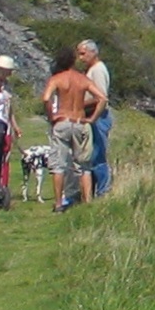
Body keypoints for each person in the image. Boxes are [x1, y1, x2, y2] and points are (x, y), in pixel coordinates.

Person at [41, 49, 106, 211]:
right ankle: (88, 201)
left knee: (59, 165)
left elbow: (46, 98)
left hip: (62, 121)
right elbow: (102, 98)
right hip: (80, 122)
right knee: (84, 166)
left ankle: (58, 204)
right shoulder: (82, 79)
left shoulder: (57, 79)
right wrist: (92, 119)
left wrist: (51, 116)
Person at [77, 39, 114, 196]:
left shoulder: (97, 70)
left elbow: (101, 97)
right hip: (93, 115)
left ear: (93, 52)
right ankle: (92, 190)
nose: (80, 58)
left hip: (98, 117)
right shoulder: (92, 69)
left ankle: (102, 191)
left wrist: (79, 104)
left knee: (98, 156)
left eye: (83, 54)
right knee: (91, 155)